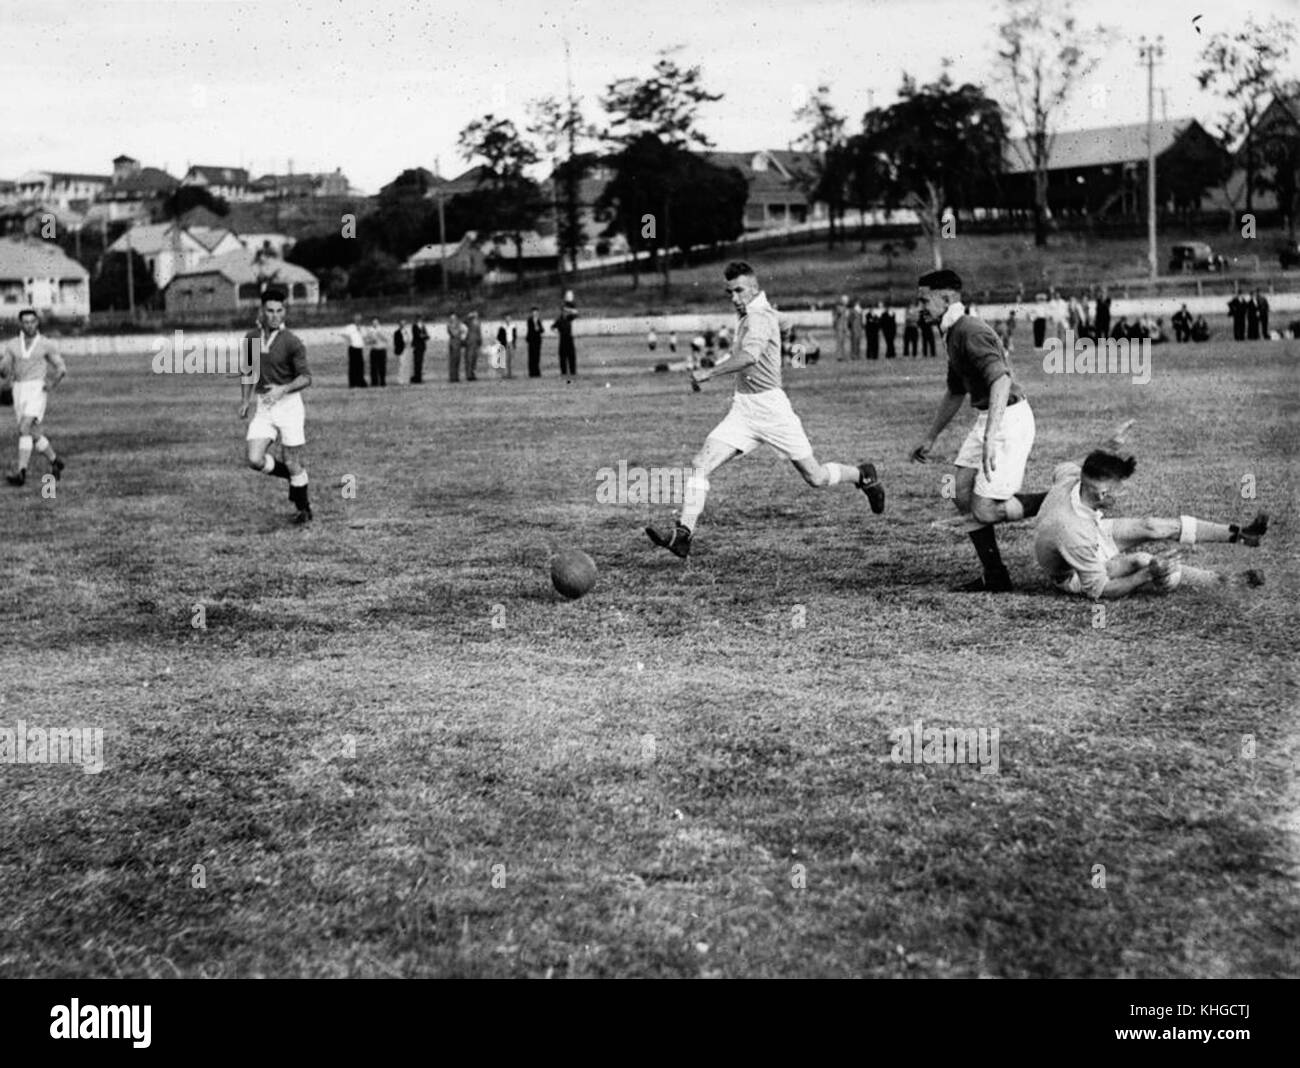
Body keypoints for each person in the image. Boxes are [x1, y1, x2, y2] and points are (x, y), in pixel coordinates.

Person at [645, 261, 885, 559]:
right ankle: (683, 534)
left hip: (772, 409)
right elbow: (783, 323)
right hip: (744, 408)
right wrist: (779, 323)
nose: (734, 297)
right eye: (730, 292)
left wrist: (708, 373)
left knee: (816, 477)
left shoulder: (758, 316)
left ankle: (862, 475)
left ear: (755, 289)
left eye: (739, 291)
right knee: (700, 464)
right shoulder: (758, 312)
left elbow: (749, 356)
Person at [909, 269, 1044, 593]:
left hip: (1008, 418)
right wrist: (931, 436)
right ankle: (995, 574)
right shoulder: (952, 331)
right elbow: (956, 391)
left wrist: (990, 435)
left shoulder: (968, 329)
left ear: (946, 298)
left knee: (984, 508)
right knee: (961, 493)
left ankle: (1064, 496)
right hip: (991, 417)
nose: (920, 308)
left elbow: (1001, 380)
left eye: (924, 300)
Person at [1035, 431, 1267, 599]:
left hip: (1090, 530)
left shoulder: (1072, 477)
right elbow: (1099, 590)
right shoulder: (1074, 534)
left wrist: (1109, 447)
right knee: (1144, 560)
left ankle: (1243, 534)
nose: (1124, 493)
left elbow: (1074, 465)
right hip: (1074, 571)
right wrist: (1146, 574)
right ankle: (1225, 581)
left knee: (1152, 526)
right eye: (1120, 489)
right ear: (1103, 494)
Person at [240, 285, 313, 524]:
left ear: (284, 312)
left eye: (279, 310)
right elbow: (248, 372)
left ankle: (303, 508)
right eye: (270, 310)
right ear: (262, 311)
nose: (275, 315)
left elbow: (306, 378)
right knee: (254, 459)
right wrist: (245, 400)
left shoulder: (292, 342)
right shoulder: (251, 338)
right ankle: (294, 477)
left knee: (292, 460)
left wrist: (283, 389)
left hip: (289, 405)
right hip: (264, 406)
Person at [0, 308, 67, 487]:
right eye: (25, 322)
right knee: (34, 433)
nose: (29, 325)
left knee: (24, 428)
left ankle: (21, 472)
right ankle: (55, 461)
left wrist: (52, 384)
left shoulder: (46, 344)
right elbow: (5, 369)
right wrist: (3, 368)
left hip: (37, 389)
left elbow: (61, 368)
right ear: (20, 324)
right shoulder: (12, 345)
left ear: (37, 323)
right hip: (18, 389)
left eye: (32, 321)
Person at [338, 315, 366, 388]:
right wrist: (348, 339)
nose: (358, 320)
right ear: (354, 320)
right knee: (353, 366)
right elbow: (342, 333)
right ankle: (352, 383)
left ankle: (360, 382)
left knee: (360, 366)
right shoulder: (350, 327)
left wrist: (360, 330)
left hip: (360, 348)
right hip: (353, 348)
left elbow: (365, 336)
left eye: (359, 319)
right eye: (357, 319)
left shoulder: (362, 328)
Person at [554, 296, 577, 378]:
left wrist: (569, 309)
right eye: (563, 311)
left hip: (569, 339)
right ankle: (563, 372)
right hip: (562, 339)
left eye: (566, 311)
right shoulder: (559, 320)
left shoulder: (569, 318)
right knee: (562, 357)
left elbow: (576, 314)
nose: (565, 313)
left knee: (571, 356)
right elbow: (553, 327)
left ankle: (573, 371)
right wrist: (556, 331)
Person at [365, 317, 387, 387]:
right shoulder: (369, 330)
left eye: (376, 322)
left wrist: (380, 335)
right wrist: (371, 341)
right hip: (374, 350)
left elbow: (387, 339)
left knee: (382, 367)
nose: (375, 323)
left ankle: (382, 382)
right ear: (372, 323)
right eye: (373, 322)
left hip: (381, 350)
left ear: (378, 322)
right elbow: (366, 341)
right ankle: (374, 382)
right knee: (373, 368)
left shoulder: (382, 329)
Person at [497, 314, 518, 379]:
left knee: (511, 360)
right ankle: (505, 374)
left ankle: (511, 374)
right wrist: (504, 342)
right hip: (504, 344)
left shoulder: (513, 327)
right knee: (505, 360)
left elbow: (515, 336)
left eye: (509, 318)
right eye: (507, 318)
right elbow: (498, 337)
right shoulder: (502, 327)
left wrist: (513, 343)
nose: (508, 320)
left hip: (511, 344)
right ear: (505, 319)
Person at [525, 306, 544, 378]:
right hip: (531, 341)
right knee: (531, 357)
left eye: (536, 312)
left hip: (537, 341)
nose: (535, 314)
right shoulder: (529, 320)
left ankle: (537, 372)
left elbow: (542, 330)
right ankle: (531, 372)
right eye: (534, 312)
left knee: (537, 357)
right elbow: (530, 330)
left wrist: (538, 328)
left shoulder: (539, 320)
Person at [464, 310, 482, 381]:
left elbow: (479, 332)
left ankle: (473, 374)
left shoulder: (478, 322)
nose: (476, 316)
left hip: (476, 343)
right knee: (469, 359)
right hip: (469, 342)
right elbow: (464, 321)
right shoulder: (469, 322)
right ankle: (468, 375)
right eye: (474, 315)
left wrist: (480, 341)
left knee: (474, 360)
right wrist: (469, 316)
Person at [410, 317, 429, 383]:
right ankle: (417, 378)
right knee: (417, 362)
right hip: (417, 346)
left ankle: (418, 377)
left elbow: (427, 336)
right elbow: (418, 336)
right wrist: (424, 336)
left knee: (420, 363)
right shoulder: (414, 326)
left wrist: (423, 336)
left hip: (422, 347)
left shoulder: (423, 326)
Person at [833, 295, 850, 360]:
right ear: (843, 301)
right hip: (839, 327)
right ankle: (839, 356)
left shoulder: (845, 308)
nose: (847, 302)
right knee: (839, 342)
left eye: (847, 301)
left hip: (844, 327)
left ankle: (843, 355)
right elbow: (837, 317)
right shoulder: (839, 308)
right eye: (846, 301)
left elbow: (846, 319)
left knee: (843, 342)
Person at [447, 312, 463, 383]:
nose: (455, 320)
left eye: (455, 318)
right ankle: (452, 377)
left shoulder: (457, 325)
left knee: (457, 361)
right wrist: (459, 329)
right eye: (453, 319)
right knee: (453, 361)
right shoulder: (450, 325)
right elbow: (454, 333)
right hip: (453, 344)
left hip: (457, 343)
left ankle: (456, 376)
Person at [393, 319, 410, 384]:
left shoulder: (407, 331)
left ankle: (406, 379)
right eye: (401, 324)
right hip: (401, 350)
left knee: (406, 365)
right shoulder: (396, 332)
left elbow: (408, 339)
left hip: (407, 350)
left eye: (404, 324)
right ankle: (400, 380)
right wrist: (403, 344)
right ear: (399, 324)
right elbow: (396, 342)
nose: (403, 325)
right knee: (401, 365)